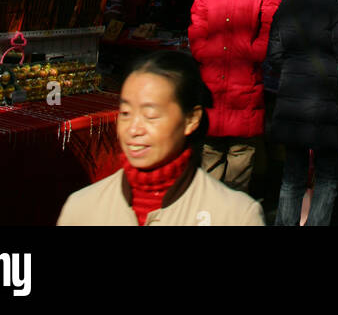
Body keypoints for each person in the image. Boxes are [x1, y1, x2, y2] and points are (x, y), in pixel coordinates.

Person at [58, 51, 264, 225]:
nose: (134, 129)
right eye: (126, 113)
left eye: (151, 115)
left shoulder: (234, 216)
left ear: (191, 119)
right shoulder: (82, 208)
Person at [266, 0, 338, 227]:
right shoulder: (337, 7)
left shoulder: (287, 5)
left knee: (292, 174)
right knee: (328, 174)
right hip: (325, 100)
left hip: (292, 97)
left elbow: (274, 55)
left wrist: (292, 73)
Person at [187, 0, 279, 190]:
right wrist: (203, 51)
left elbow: (271, 27)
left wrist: (254, 53)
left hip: (245, 85)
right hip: (212, 85)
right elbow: (198, 19)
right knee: (209, 163)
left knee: (239, 166)